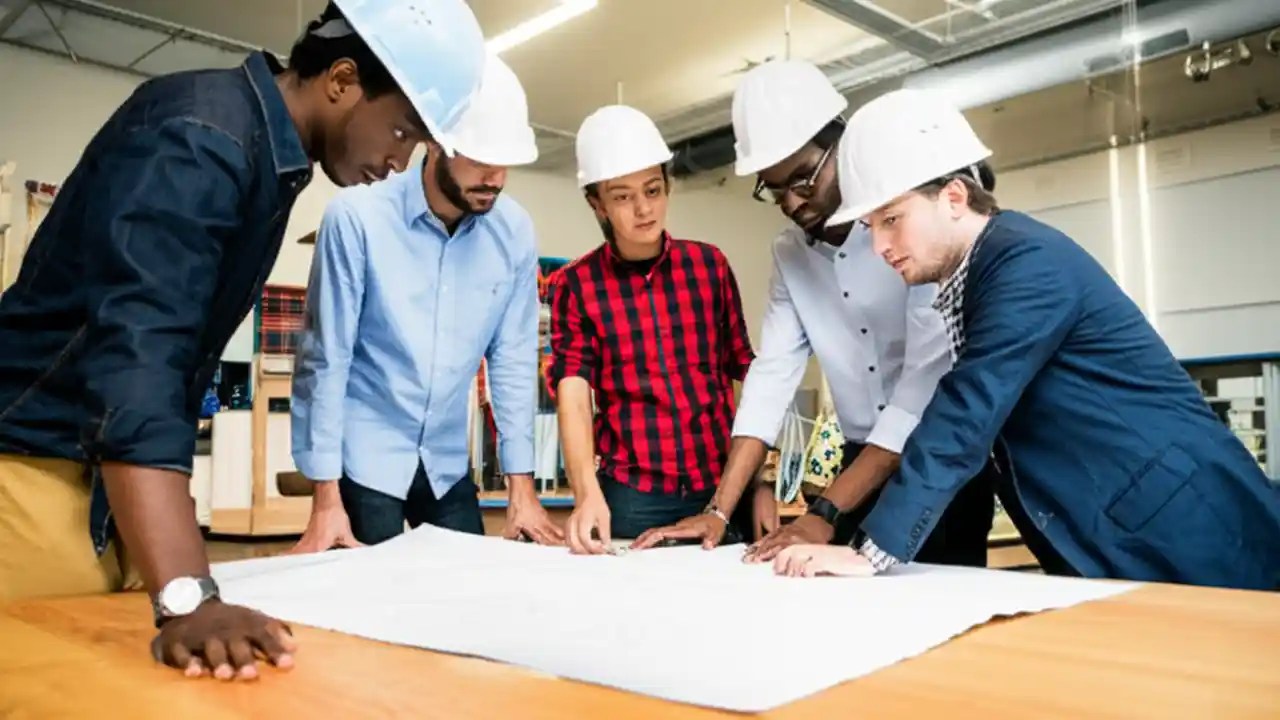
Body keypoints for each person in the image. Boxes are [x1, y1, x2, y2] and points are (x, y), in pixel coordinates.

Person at [0, 0, 487, 680]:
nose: (400, 161)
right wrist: (187, 596)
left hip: (98, 477)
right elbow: (139, 359)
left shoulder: (264, 151)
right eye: (402, 131)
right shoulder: (202, 136)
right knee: (41, 680)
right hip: (33, 469)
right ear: (342, 81)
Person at [772, 88, 1280, 589]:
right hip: (1115, 531)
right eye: (870, 225)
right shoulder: (976, 278)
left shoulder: (1027, 266)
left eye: (891, 220)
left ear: (953, 197)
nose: (879, 245)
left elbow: (967, 409)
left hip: (1187, 527)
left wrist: (872, 549)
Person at [633, 60, 994, 562]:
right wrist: (718, 511)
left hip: (935, 463)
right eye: (773, 188)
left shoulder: (910, 235)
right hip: (855, 462)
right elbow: (772, 376)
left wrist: (824, 514)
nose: (790, 201)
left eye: (803, 178)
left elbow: (918, 390)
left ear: (842, 146)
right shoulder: (790, 254)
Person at [289, 54, 564, 552]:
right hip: (364, 456)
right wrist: (325, 499)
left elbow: (513, 359)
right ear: (435, 139)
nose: (495, 178)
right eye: (480, 158)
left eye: (506, 163)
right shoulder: (357, 217)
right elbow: (325, 361)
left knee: (467, 596)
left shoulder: (514, 233)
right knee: (374, 609)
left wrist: (521, 487)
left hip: (443, 458)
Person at [545, 104, 756, 554]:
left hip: (719, 493)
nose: (644, 209)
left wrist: (762, 484)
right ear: (596, 203)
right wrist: (587, 495)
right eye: (622, 197)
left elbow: (750, 377)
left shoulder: (709, 267)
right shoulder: (576, 285)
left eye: (653, 190)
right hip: (631, 497)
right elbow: (575, 393)